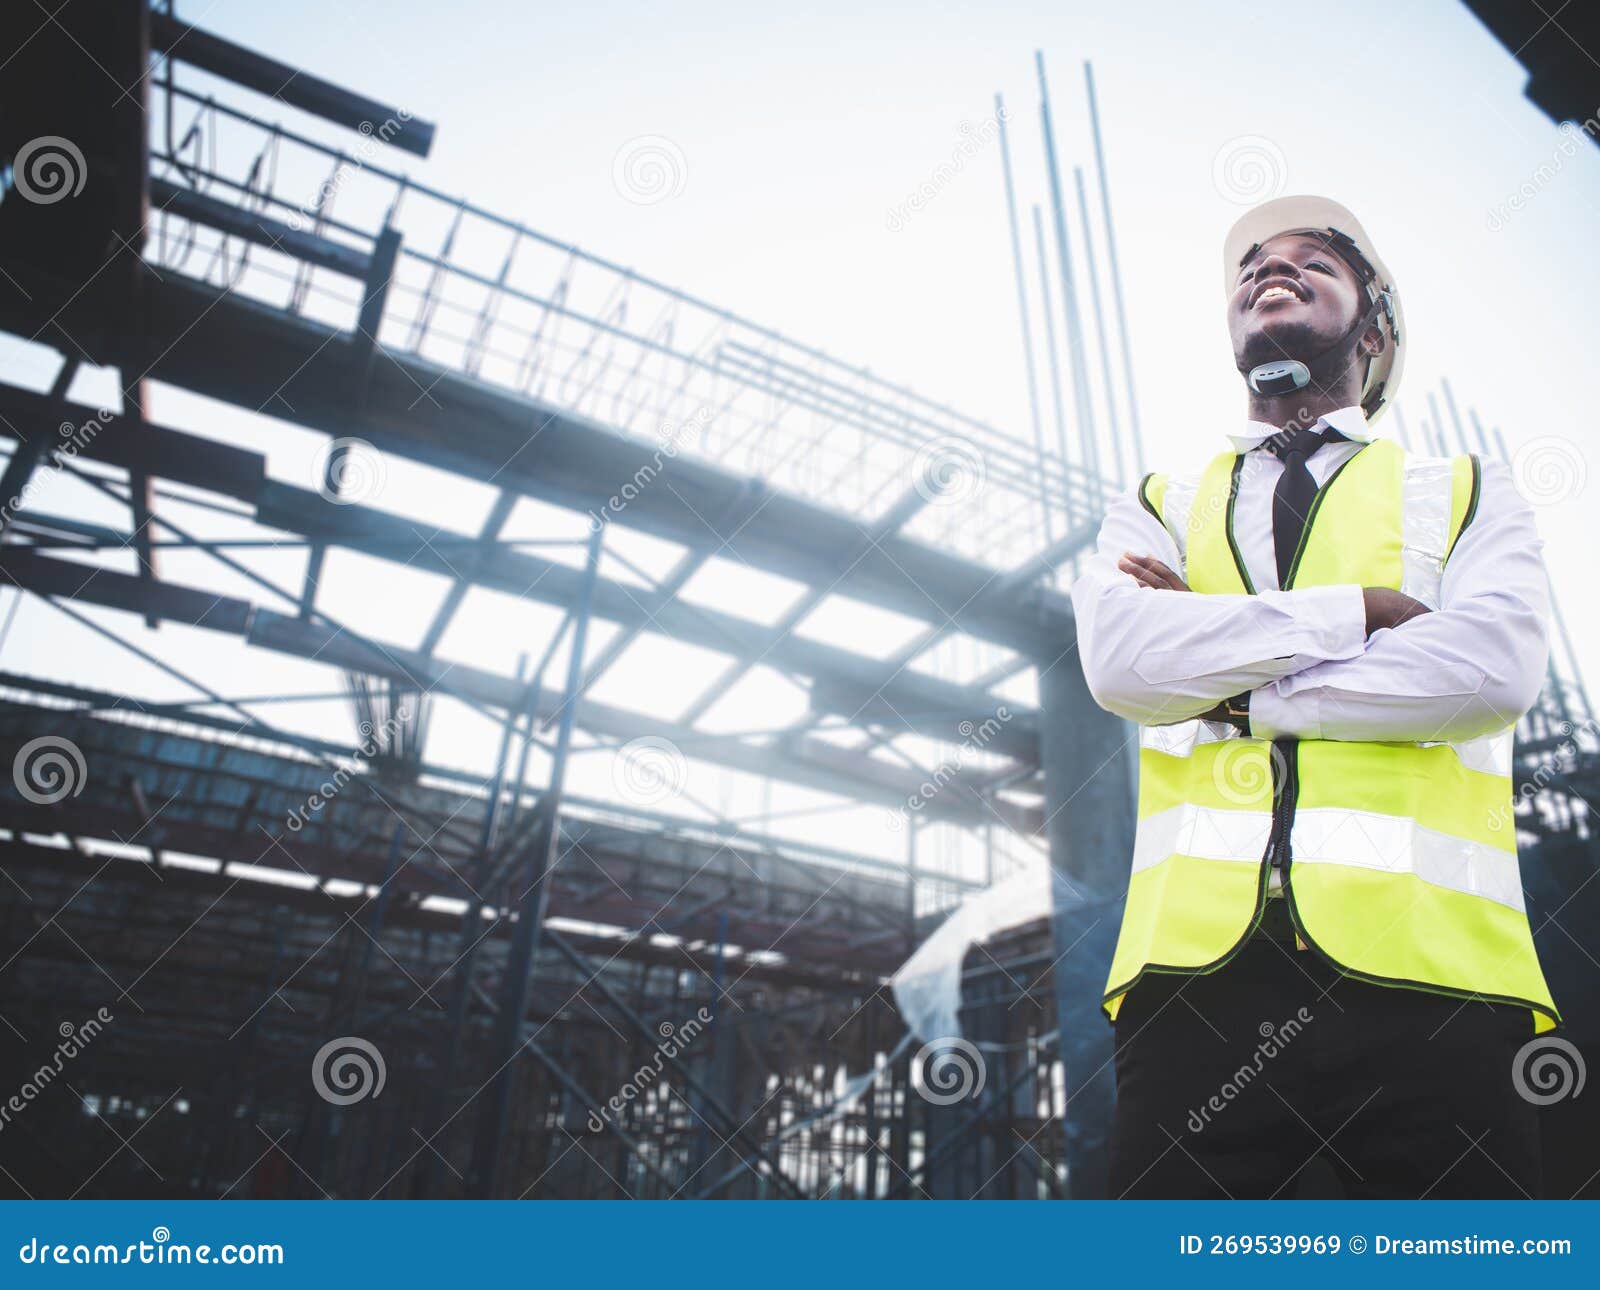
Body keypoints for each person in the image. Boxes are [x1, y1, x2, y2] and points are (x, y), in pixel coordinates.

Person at [1070, 194, 1561, 1199]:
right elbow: (1126, 663)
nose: (1268, 269)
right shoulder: (1161, 499)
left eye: (1311, 263)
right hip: (1195, 991)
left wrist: (1233, 684)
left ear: (1372, 329)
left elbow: (1486, 669)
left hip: (1435, 981)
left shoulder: (1464, 488)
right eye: (1252, 263)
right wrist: (1360, 612)